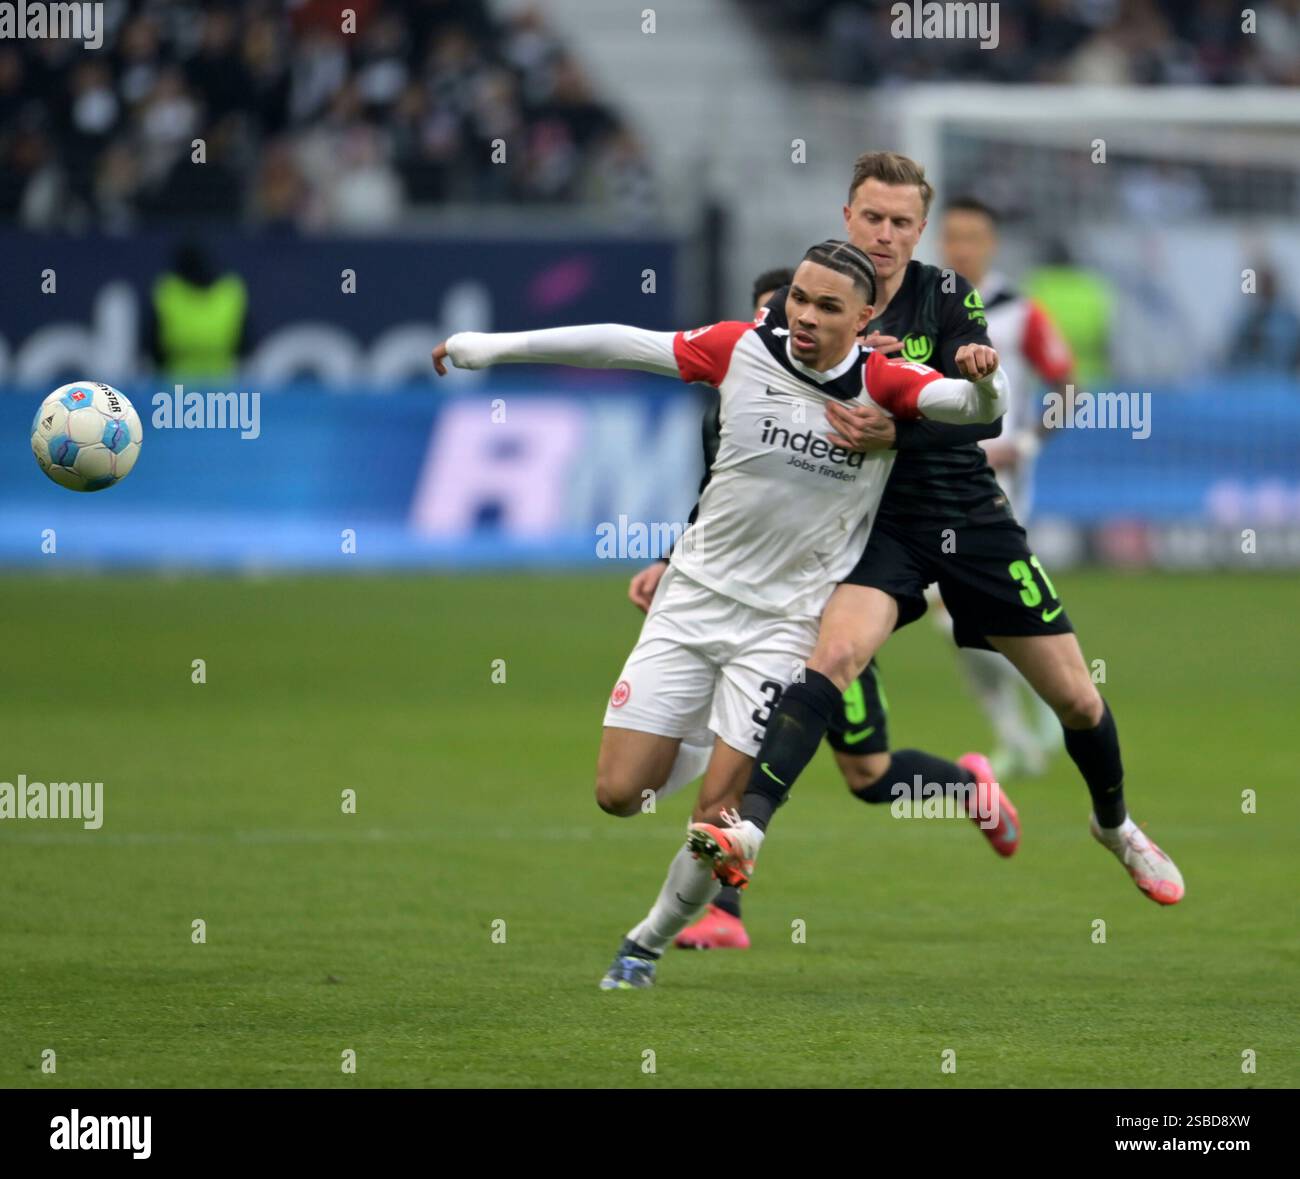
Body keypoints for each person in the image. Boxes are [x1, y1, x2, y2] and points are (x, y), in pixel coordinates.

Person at [433, 239, 1009, 988]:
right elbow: (619, 345)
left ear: (865, 316)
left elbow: (967, 408)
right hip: (691, 606)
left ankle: (642, 945)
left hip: (784, 626)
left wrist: (986, 383)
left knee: (725, 820)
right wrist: (489, 348)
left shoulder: (885, 381)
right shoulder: (739, 349)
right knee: (619, 793)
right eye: (797, 297)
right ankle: (707, 749)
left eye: (826, 305)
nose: (802, 315)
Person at [687, 169, 1185, 911]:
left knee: (1078, 701)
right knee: (834, 656)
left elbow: (985, 419)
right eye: (873, 218)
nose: (884, 235)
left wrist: (910, 419)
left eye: (901, 223)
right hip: (877, 526)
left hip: (969, 515)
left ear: (919, 232)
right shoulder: (815, 295)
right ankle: (749, 833)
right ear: (848, 216)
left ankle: (1114, 825)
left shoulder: (949, 297)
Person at [630, 261, 1019, 955]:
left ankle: (967, 786)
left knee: (867, 775)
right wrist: (669, 559)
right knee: (743, 758)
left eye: (788, 317)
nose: (779, 332)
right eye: (770, 319)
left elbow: (957, 424)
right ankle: (724, 910)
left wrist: (899, 417)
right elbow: (725, 502)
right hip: (742, 608)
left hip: (825, 609)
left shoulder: (865, 387)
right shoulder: (743, 389)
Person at [936, 196, 1076, 778]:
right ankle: (1023, 726)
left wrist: (1026, 444)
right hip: (932, 476)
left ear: (991, 243)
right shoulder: (922, 306)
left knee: (972, 609)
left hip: (996, 480)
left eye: (973, 236)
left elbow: (1069, 387)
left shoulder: (1021, 312)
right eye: (953, 236)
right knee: (955, 613)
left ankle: (1036, 714)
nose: (962, 247)